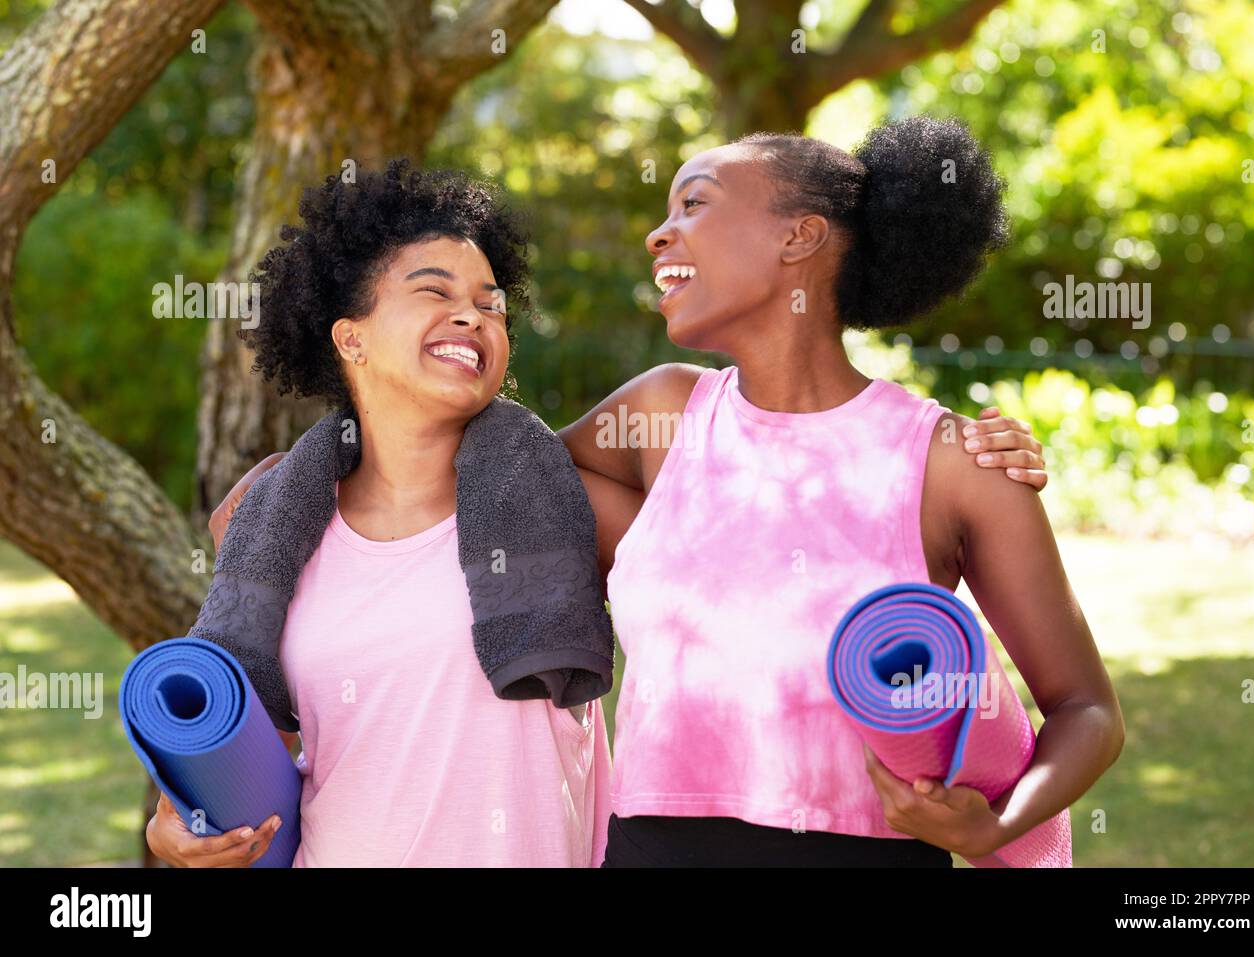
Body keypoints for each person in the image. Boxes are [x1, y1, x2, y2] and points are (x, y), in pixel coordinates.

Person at [556, 117, 1124, 866]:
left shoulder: (951, 462)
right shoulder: (664, 415)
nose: (660, 235)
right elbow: (515, 483)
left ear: (800, 237)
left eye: (693, 204)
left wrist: (998, 824)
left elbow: (1089, 712)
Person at [146, 160, 628, 867]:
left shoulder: (564, 507)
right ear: (351, 338)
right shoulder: (274, 527)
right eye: (434, 290)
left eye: (492, 305)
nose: (474, 314)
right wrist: (175, 826)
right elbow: (240, 752)